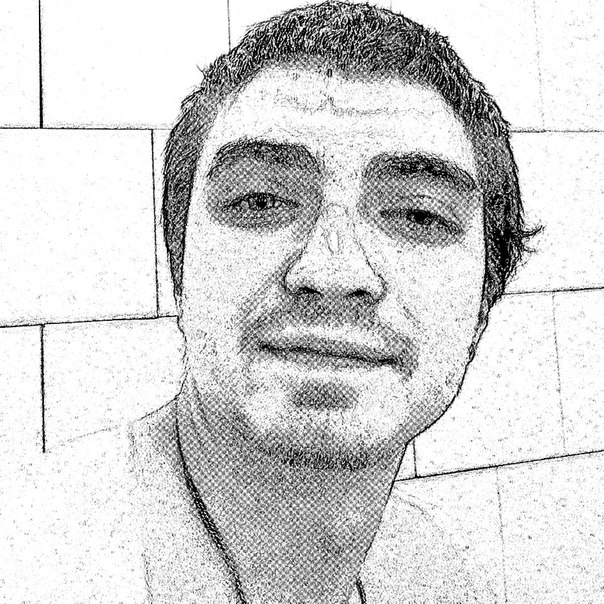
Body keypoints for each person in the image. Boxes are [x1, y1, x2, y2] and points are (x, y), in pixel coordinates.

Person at [1, 2, 535, 602]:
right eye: (259, 201)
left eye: (418, 214)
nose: (333, 272)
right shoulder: (24, 553)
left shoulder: (438, 575)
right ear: (180, 268)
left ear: (483, 302)